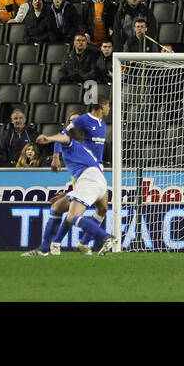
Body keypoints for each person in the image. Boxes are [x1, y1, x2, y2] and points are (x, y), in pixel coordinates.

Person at [27, 102, 117, 256]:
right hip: (97, 179)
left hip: (89, 179)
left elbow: (62, 138)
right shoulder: (84, 149)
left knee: (73, 216)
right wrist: (69, 193)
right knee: (58, 208)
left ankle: (105, 237)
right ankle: (48, 248)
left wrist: (47, 138)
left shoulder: (71, 143)